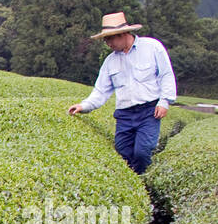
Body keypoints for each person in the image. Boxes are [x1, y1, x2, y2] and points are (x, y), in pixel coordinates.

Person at [68, 12, 177, 175]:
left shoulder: (152, 47)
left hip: (149, 112)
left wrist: (164, 101)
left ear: (123, 34)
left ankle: (142, 181)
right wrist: (84, 106)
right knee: (123, 153)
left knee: (142, 151)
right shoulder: (110, 62)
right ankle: (133, 183)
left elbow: (166, 74)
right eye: (105, 39)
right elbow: (101, 91)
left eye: (110, 39)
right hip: (125, 115)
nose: (108, 43)